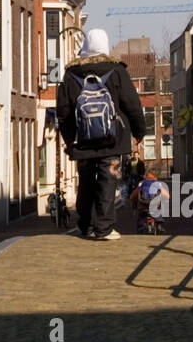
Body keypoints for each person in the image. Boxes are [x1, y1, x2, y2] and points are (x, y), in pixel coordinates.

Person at [56, 28, 146, 240]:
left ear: (84, 46)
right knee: (108, 179)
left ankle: (85, 225)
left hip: (82, 142)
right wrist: (139, 131)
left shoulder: (70, 75)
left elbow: (63, 113)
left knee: (86, 180)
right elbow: (132, 104)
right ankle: (104, 228)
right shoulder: (117, 71)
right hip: (112, 140)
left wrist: (70, 141)